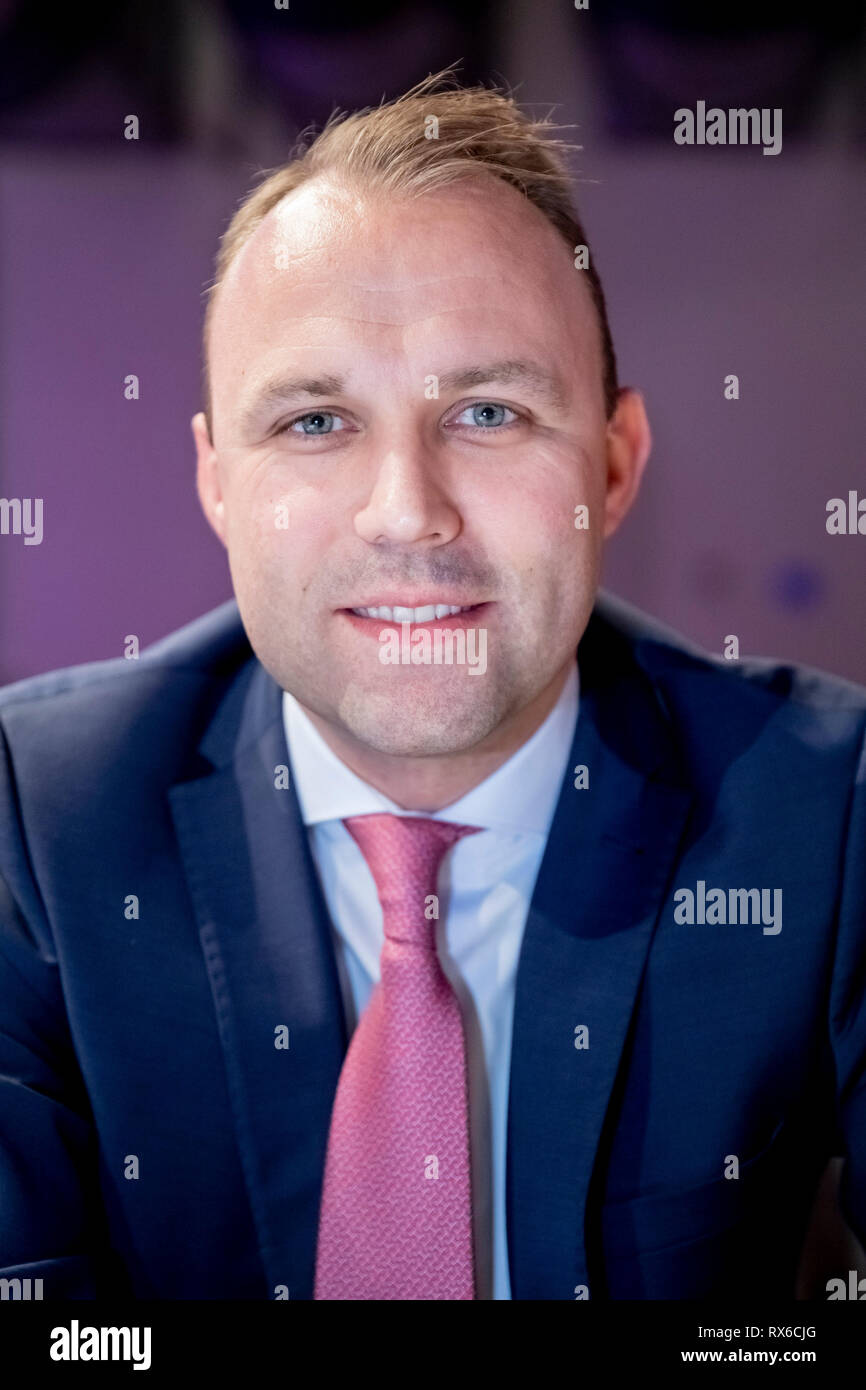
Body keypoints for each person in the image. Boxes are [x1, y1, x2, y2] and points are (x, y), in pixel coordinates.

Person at [1, 70, 864, 1302]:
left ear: (613, 465)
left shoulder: (825, 810)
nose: (406, 512)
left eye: (487, 410)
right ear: (216, 484)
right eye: (312, 422)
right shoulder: (36, 815)